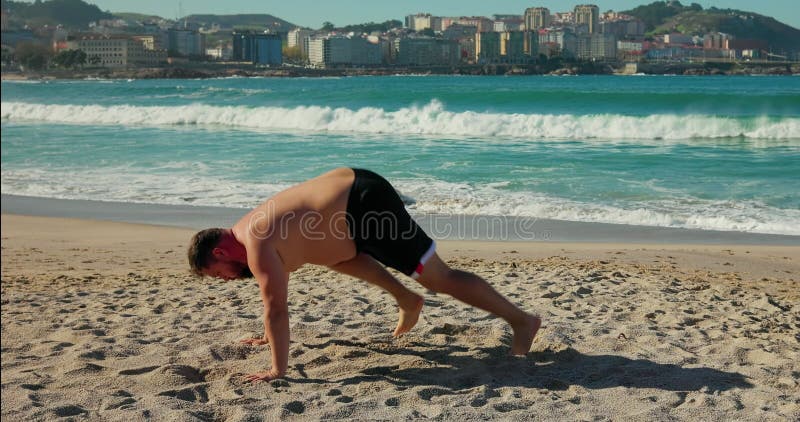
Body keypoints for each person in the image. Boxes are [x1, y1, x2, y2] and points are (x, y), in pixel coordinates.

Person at [188, 168, 541, 383]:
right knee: (331, 255)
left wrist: (276, 370)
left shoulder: (257, 244)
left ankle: (521, 321)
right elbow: (276, 294)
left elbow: (276, 309)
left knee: (439, 278)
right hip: (352, 199)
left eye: (216, 274)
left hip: (364, 203)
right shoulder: (249, 229)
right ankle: (406, 298)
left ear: (219, 252)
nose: (225, 280)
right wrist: (269, 337)